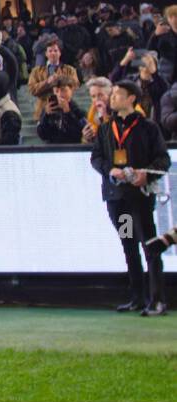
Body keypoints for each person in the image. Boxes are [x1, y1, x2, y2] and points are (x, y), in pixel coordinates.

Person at [89, 80, 170, 316]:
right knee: (129, 244)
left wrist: (146, 174)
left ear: (131, 98)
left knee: (149, 245)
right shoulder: (106, 128)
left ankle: (157, 299)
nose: (111, 98)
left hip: (140, 197)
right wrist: (109, 170)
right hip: (118, 198)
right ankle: (137, 296)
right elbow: (96, 157)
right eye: (112, 94)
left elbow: (163, 160)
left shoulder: (148, 128)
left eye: (117, 94)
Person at [36, 77, 86, 144]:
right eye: (56, 91)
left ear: (71, 90)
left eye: (63, 90)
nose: (59, 94)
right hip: (52, 149)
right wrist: (46, 116)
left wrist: (68, 112)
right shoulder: (48, 111)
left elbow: (77, 134)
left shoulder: (79, 112)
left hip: (73, 149)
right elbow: (42, 135)